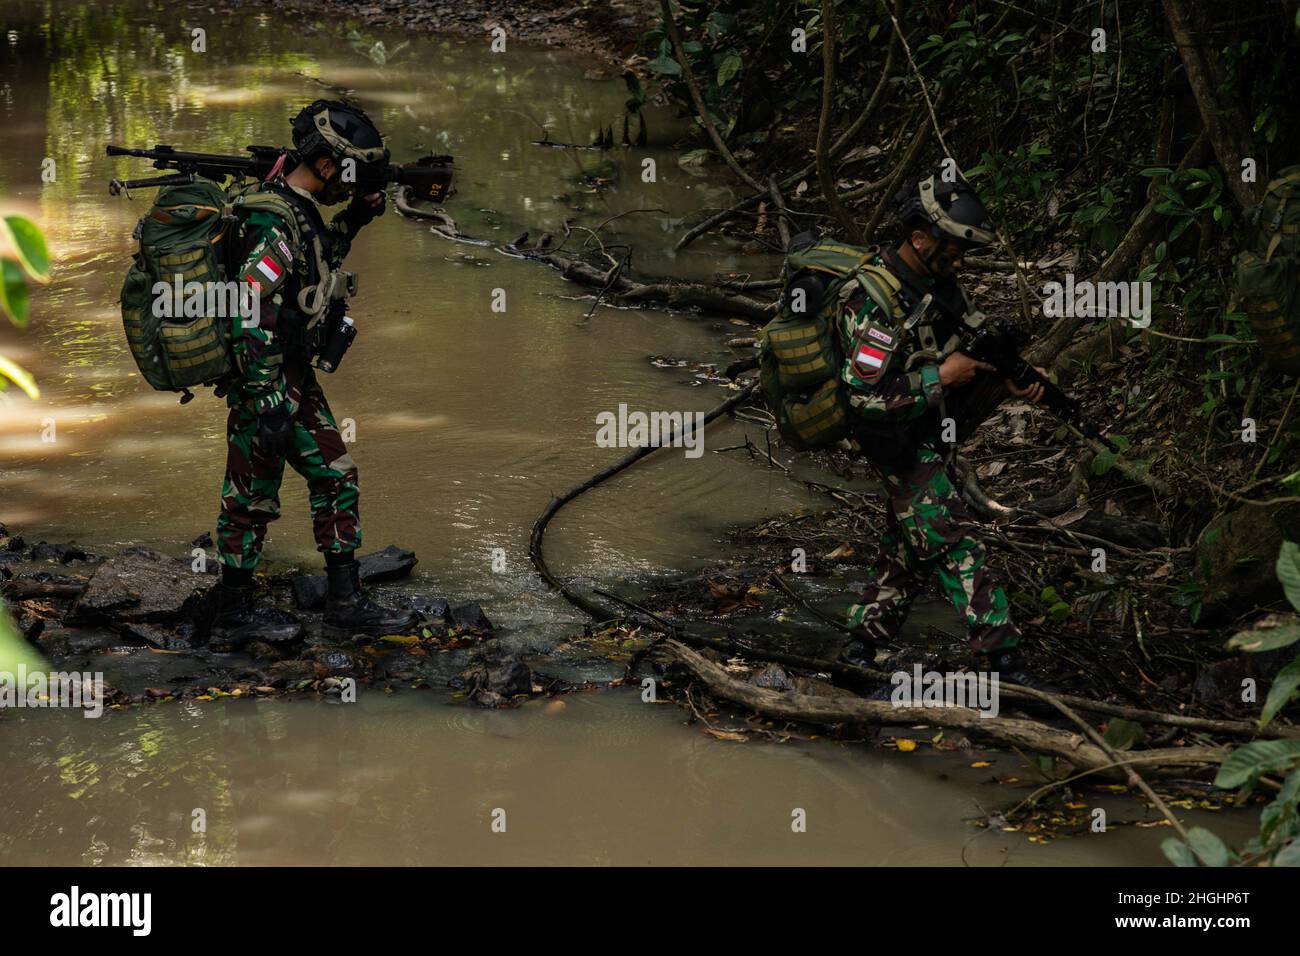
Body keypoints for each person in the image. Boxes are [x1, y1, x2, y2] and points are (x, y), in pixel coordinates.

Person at [209, 99, 417, 645]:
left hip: (295, 376)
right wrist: (265, 397)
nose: (349, 187)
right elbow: (247, 305)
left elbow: (317, 262)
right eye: (347, 177)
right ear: (325, 164)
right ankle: (233, 614)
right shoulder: (271, 220)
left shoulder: (299, 212)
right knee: (252, 494)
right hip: (268, 379)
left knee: (335, 474)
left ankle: (344, 602)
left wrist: (355, 219)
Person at [836, 172, 1043, 673]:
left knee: (910, 545)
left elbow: (969, 347)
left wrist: (1005, 379)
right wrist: (941, 377)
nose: (959, 261)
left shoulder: (938, 288)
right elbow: (863, 398)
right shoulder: (873, 302)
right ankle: (1002, 657)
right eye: (950, 248)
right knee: (952, 538)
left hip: (928, 433)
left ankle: (861, 646)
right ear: (919, 238)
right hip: (891, 438)